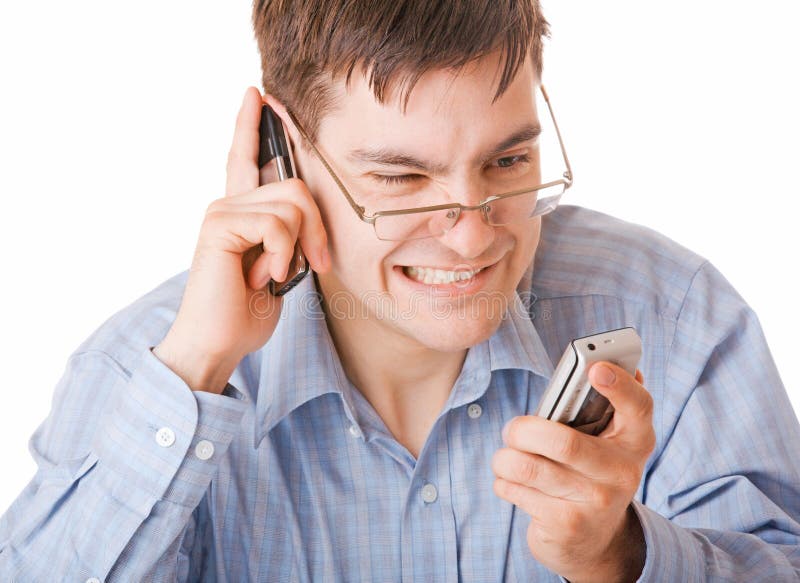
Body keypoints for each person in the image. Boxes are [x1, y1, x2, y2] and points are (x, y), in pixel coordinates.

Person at [1, 1, 799, 581]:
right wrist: (196, 366)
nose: (473, 233)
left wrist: (620, 556)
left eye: (508, 162)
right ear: (282, 154)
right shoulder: (147, 370)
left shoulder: (678, 314)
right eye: (401, 177)